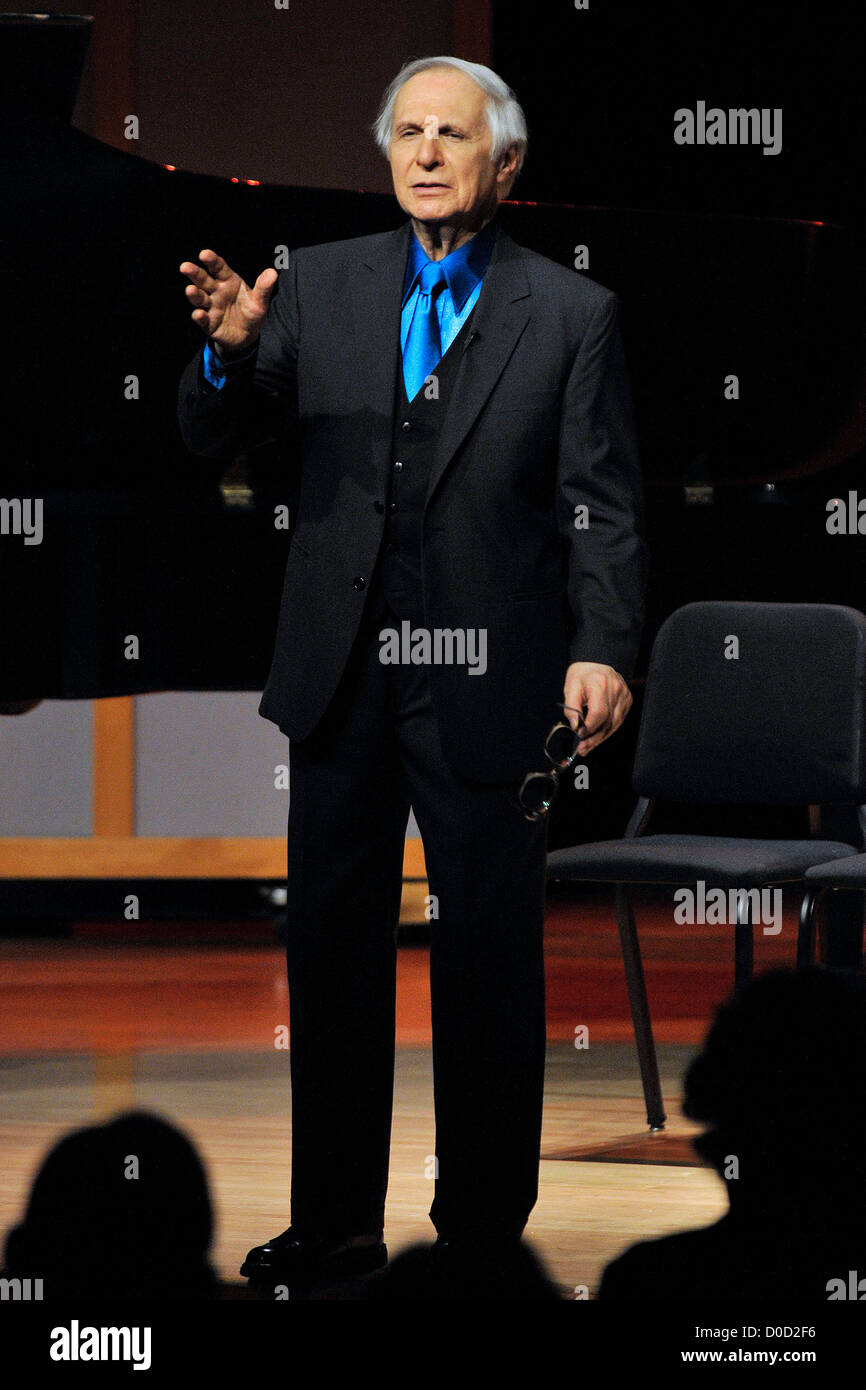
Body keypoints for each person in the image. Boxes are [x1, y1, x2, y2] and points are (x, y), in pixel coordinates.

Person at [178, 55, 647, 1291]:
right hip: (341, 669)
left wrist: (602, 643)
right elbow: (213, 432)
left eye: (454, 134)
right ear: (387, 151)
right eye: (409, 131)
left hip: (490, 677)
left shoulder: (567, 312)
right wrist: (230, 353)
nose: (427, 152)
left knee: (487, 957)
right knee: (331, 952)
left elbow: (600, 504)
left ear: (505, 164)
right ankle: (331, 1222)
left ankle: (479, 1232)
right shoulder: (319, 284)